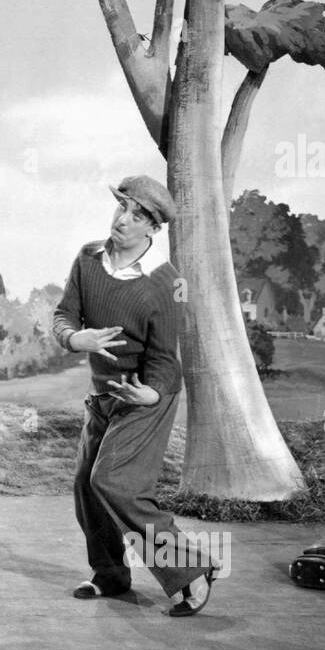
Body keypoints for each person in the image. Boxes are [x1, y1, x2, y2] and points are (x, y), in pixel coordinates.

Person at [52, 174, 217, 616]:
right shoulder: (87, 260)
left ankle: (191, 569)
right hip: (104, 396)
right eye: (121, 207)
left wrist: (153, 394)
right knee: (87, 488)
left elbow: (165, 359)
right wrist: (74, 339)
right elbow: (63, 315)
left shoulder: (163, 283)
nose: (123, 219)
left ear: (152, 229)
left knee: (115, 481)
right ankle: (110, 574)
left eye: (136, 215)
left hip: (146, 398)